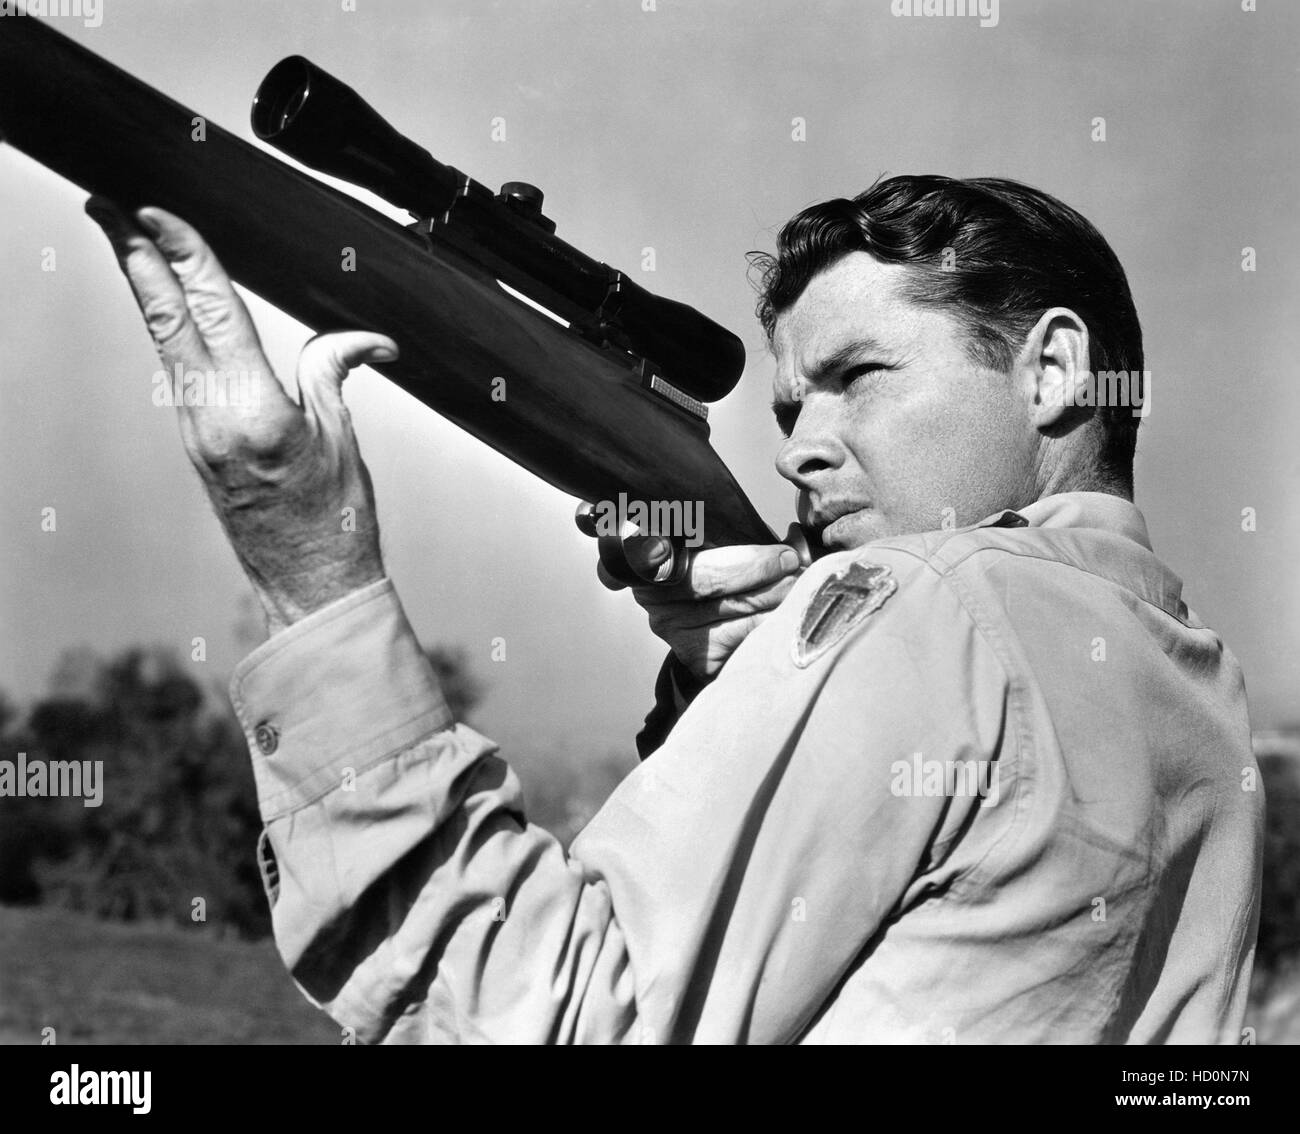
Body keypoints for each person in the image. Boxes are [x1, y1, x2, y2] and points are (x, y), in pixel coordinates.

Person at [83, 174, 1262, 1044]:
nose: (802, 447)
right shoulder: (1199, 697)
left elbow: (547, 1018)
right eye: (791, 403)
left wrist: (308, 562)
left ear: (1052, 371)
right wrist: (728, 681)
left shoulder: (937, 600)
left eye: (859, 378)